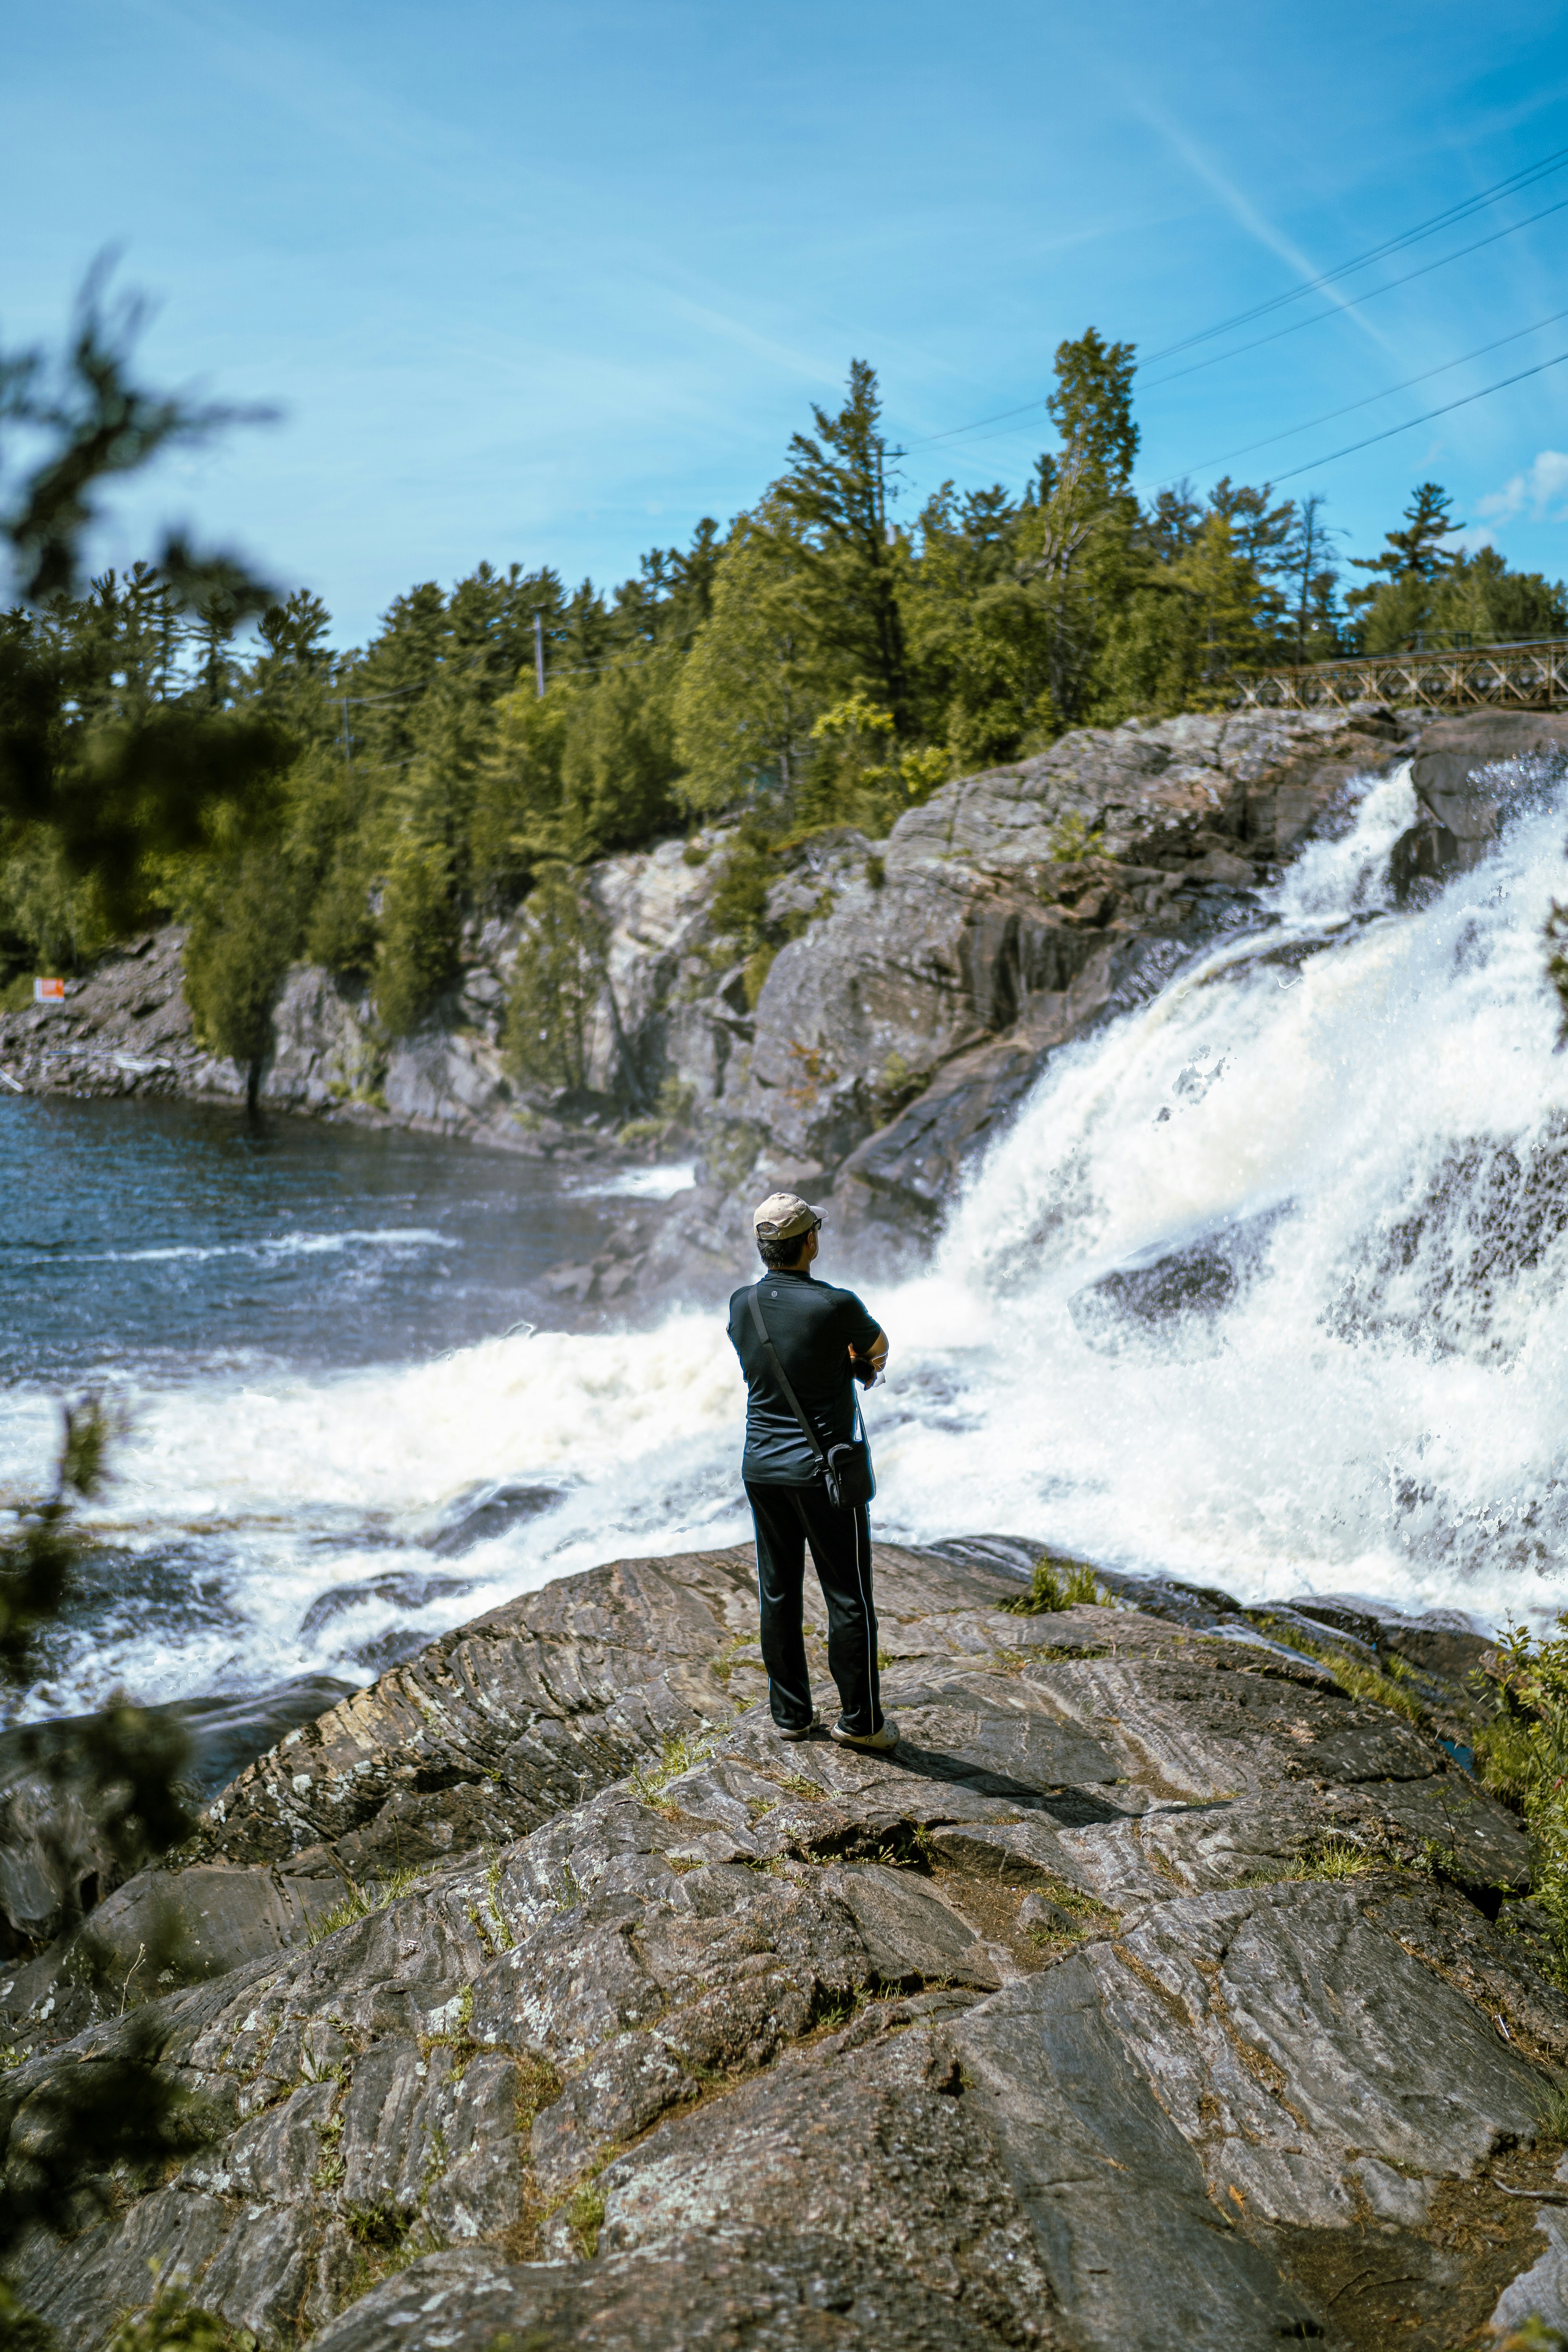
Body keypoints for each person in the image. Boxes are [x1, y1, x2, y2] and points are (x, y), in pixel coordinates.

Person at [727, 1190, 897, 1750]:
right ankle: (861, 1722)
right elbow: (876, 1348)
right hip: (823, 1473)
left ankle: (791, 1714)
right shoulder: (835, 1304)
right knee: (846, 1594)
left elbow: (774, 1363)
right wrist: (854, 1368)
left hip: (761, 1467)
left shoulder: (741, 1304)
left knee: (778, 1591)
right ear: (809, 1242)